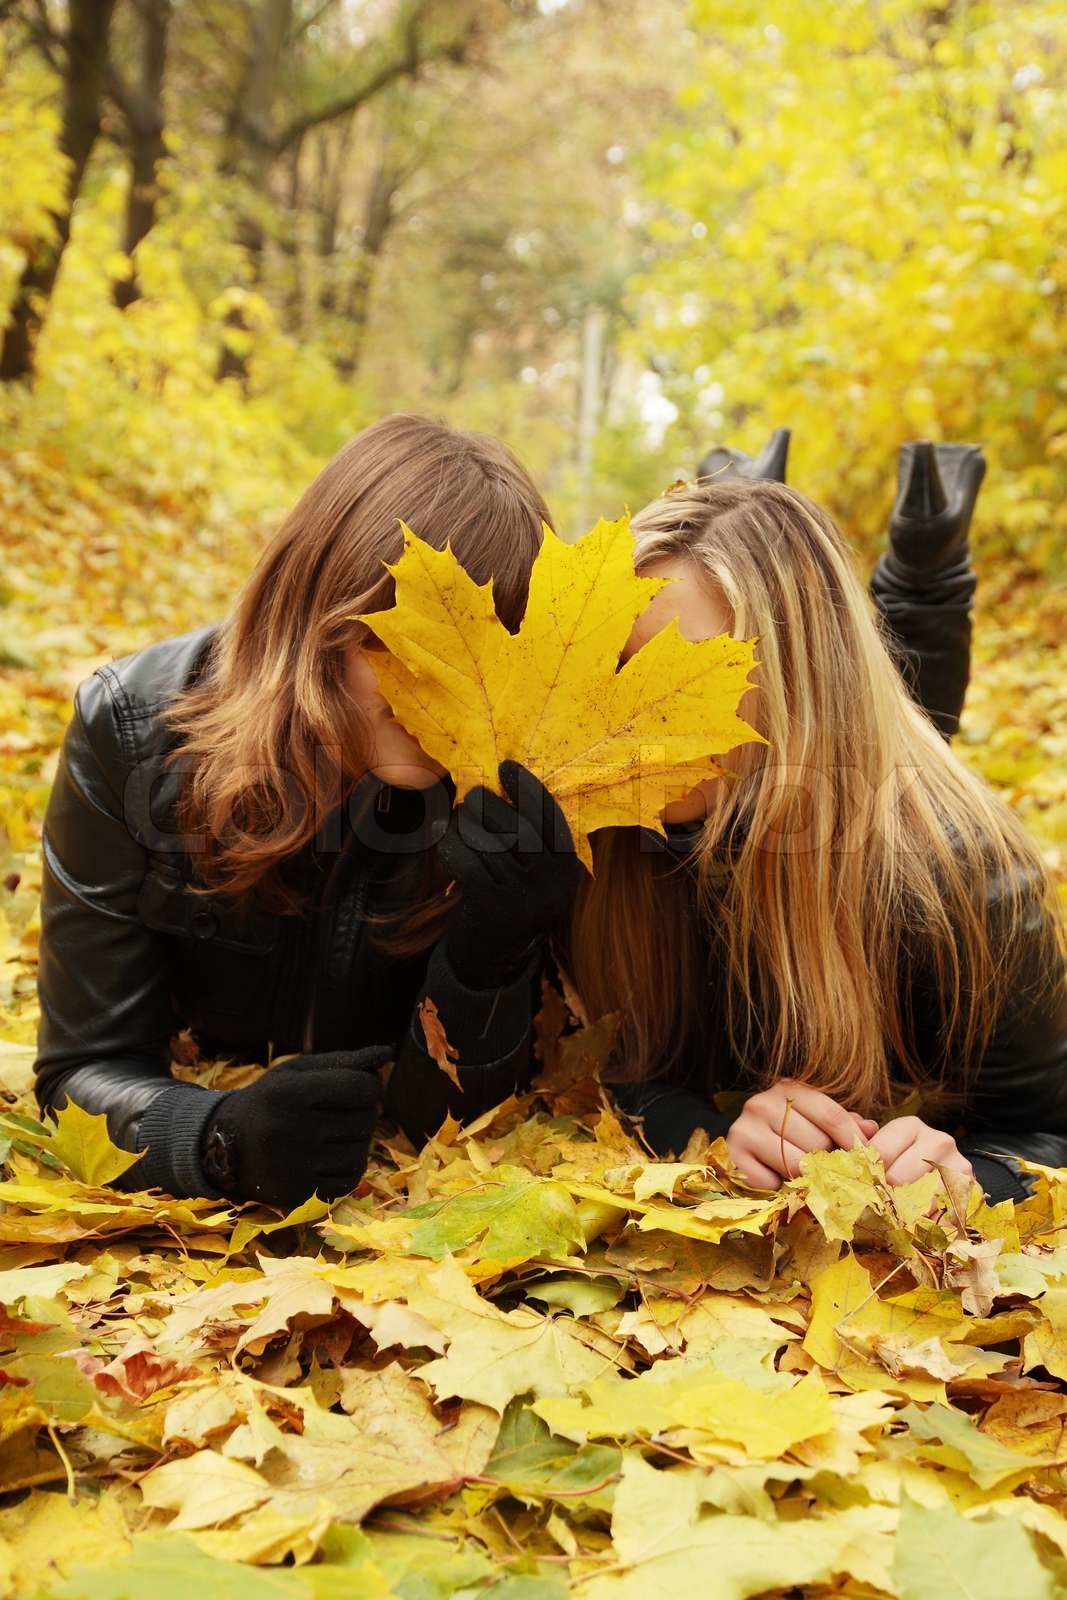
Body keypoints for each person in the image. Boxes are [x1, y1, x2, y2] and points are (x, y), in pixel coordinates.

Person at [32, 413, 582, 1211]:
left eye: (481, 658)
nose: (441, 693)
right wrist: (215, 1137)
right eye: (405, 646)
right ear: (320, 610)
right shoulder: (131, 729)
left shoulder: (509, 793)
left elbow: (456, 1127)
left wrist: (487, 957)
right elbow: (80, 1072)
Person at [572, 454, 1066, 1204]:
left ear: (791, 683)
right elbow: (612, 1068)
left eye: (683, 675)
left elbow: (1046, 1135)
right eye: (617, 669)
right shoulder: (591, 828)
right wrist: (709, 1136)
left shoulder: (961, 876)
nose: (630, 717)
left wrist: (970, 1179)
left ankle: (925, 564)